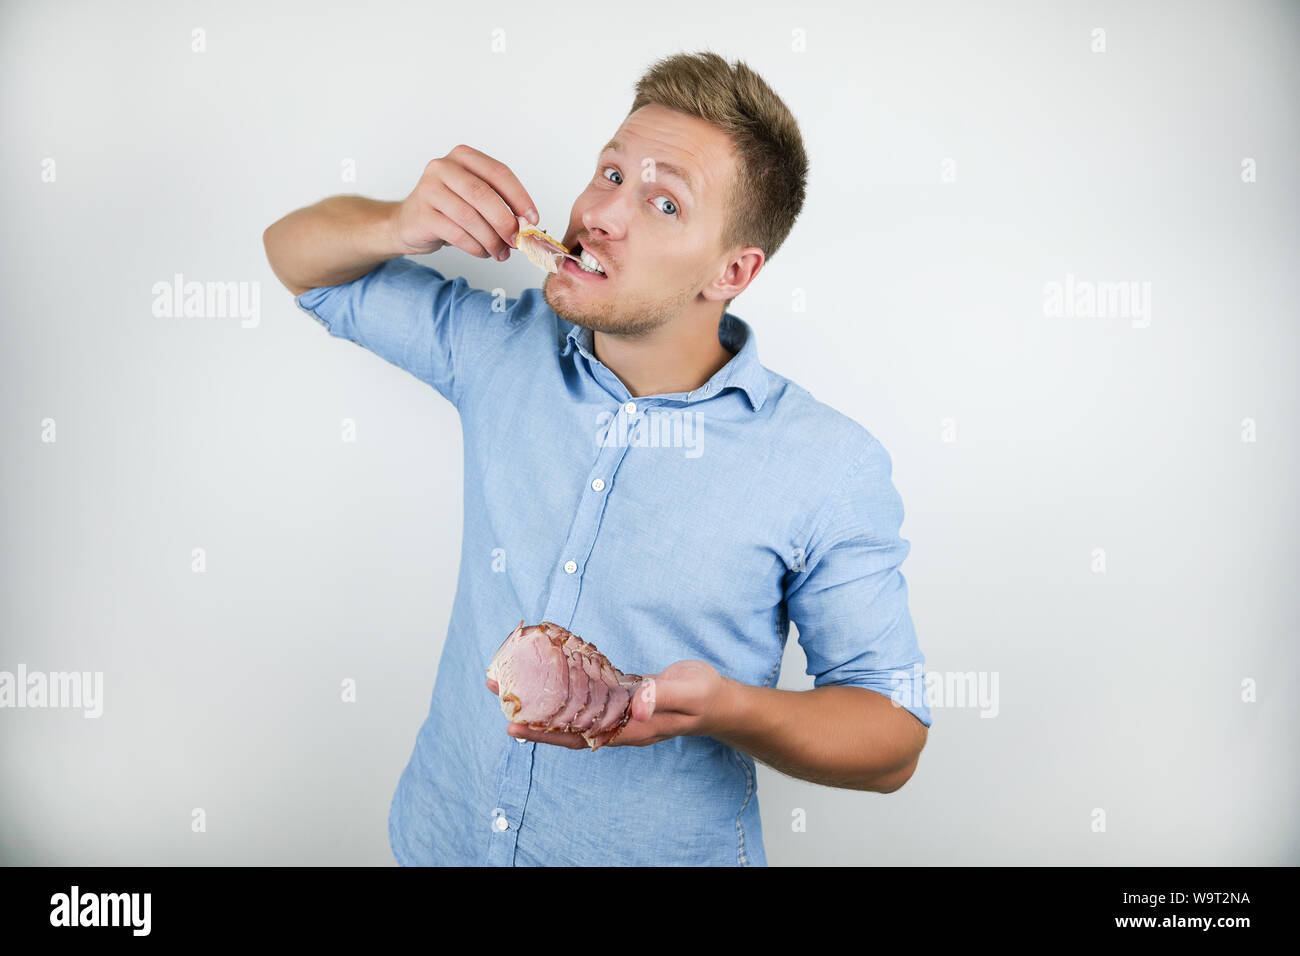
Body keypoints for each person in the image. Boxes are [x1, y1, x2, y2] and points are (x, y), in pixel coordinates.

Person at [262, 50, 930, 867]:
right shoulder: (500, 347)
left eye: (663, 202)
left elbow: (893, 736)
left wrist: (731, 710)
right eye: (611, 172)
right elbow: (299, 262)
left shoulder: (826, 467)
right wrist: (400, 222)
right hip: (440, 842)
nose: (604, 214)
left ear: (733, 271)